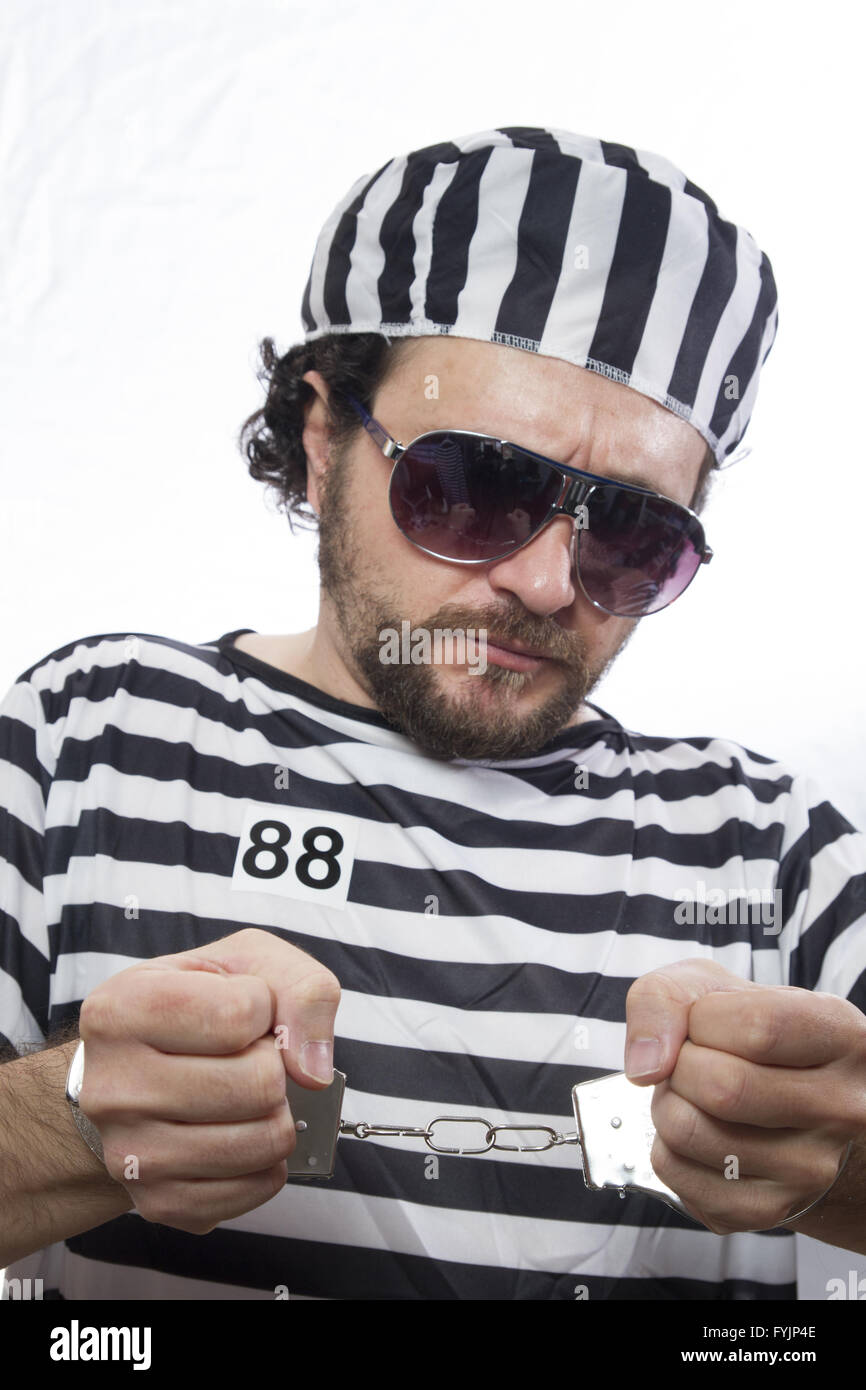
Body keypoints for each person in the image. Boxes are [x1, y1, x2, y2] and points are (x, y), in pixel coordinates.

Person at [1, 126, 864, 1302]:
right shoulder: (86, 739)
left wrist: (844, 1161)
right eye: (476, 485)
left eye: (631, 533)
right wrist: (66, 1121)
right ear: (319, 437)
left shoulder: (764, 843)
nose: (547, 582)